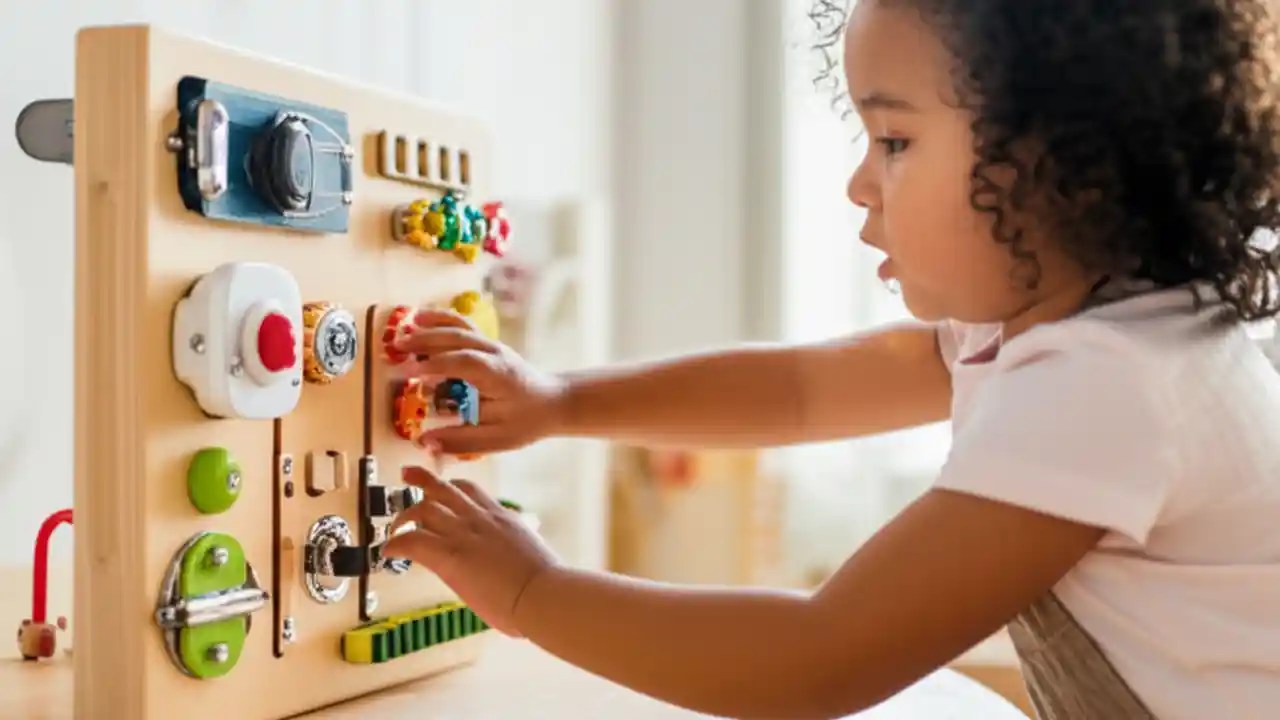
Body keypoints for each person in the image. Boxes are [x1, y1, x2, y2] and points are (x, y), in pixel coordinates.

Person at [383, 1, 1280, 717]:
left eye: (894, 141)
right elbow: (804, 390)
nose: (859, 182)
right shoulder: (1064, 333)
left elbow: (816, 662)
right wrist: (561, 401)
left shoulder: (1110, 384)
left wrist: (534, 592)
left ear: (1070, 167)